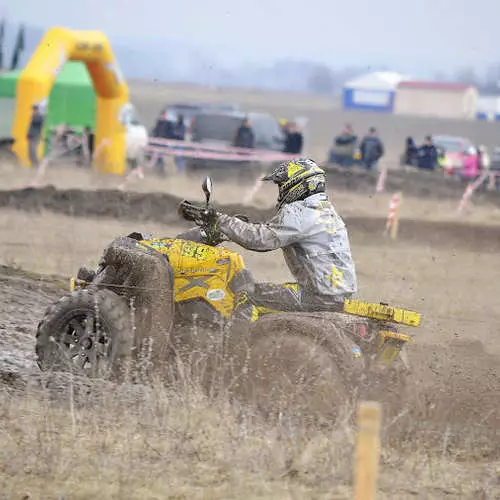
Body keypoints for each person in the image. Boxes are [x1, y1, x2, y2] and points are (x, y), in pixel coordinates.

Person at [178, 158, 357, 320]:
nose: (280, 191)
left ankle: (238, 344)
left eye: (282, 185)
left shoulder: (301, 212)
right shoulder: (324, 211)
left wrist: (219, 220)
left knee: (246, 294)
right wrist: (229, 229)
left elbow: (261, 240)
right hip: (333, 294)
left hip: (317, 296)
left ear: (298, 184)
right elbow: (272, 231)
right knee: (252, 287)